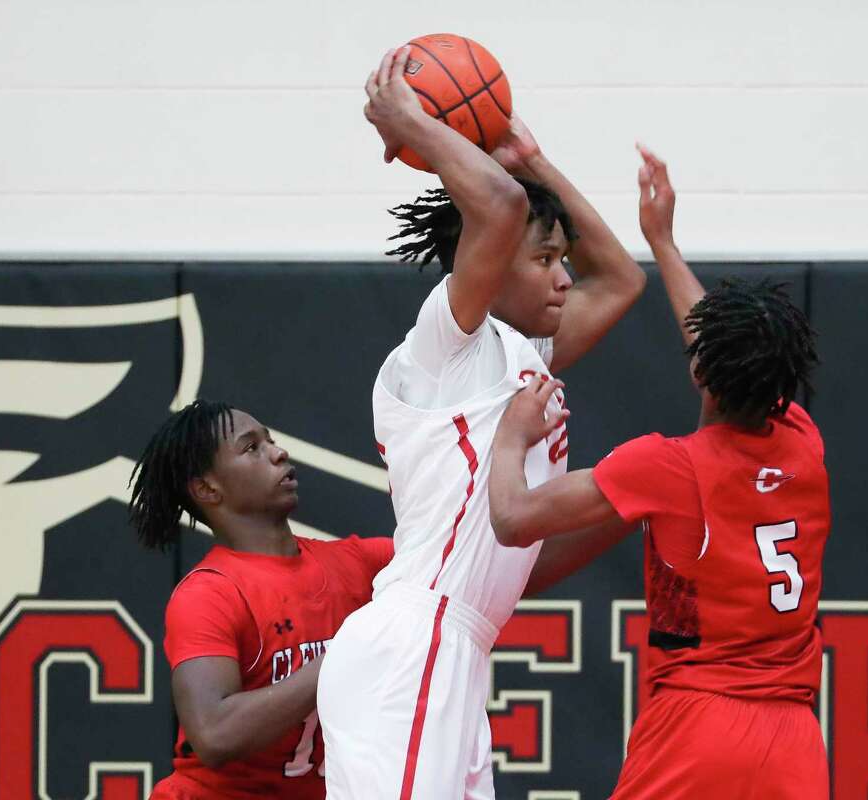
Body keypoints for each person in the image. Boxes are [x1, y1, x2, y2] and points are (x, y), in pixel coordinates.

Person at [317, 47, 646, 799]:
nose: (566, 276)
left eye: (565, 259)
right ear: (490, 264)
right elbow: (497, 206)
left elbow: (622, 279)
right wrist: (414, 125)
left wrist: (537, 160)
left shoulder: (524, 354)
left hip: (458, 651)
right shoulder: (445, 344)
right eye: (546, 260)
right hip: (410, 646)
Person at [488, 146, 830, 799]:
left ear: (702, 370)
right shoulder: (801, 441)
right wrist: (662, 243)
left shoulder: (670, 467)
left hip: (697, 724)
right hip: (793, 740)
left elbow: (512, 518)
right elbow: (720, 345)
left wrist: (511, 436)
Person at [129, 399, 393, 799]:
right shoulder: (208, 594)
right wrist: (341, 658)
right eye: (251, 447)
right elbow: (214, 733)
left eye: (270, 440)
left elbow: (483, 564)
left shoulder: (355, 562)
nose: (278, 451)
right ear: (207, 488)